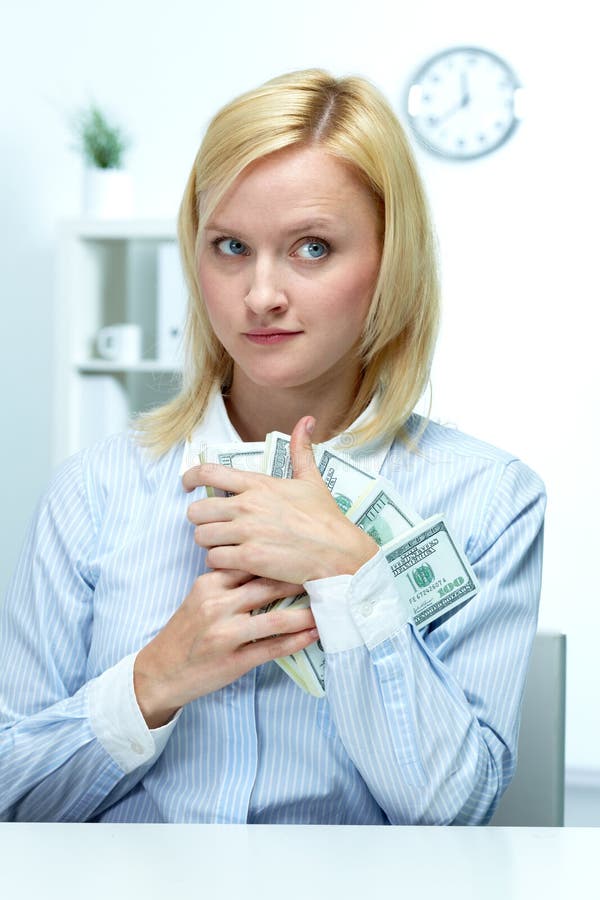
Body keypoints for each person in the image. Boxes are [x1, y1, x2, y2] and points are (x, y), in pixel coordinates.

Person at [0, 68, 545, 824]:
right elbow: (12, 799)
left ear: (391, 261)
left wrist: (351, 573)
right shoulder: (93, 491)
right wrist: (152, 681)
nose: (260, 295)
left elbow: (455, 813)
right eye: (229, 245)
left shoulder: (490, 499)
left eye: (312, 249)